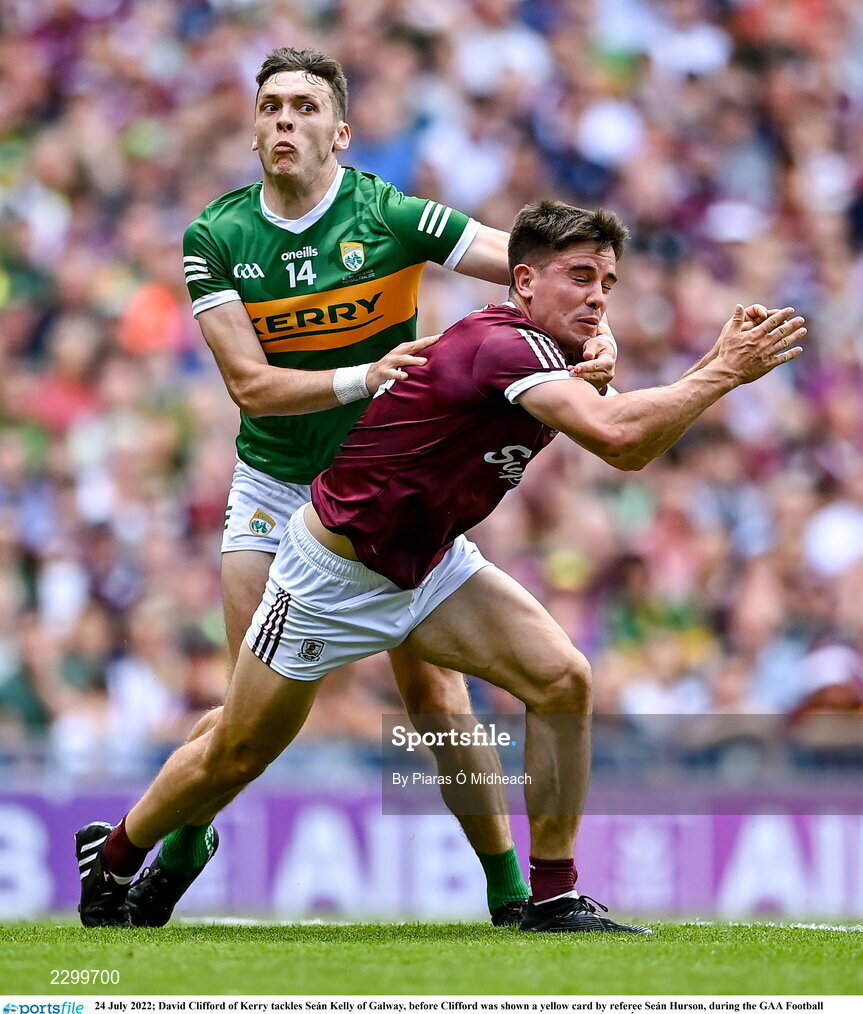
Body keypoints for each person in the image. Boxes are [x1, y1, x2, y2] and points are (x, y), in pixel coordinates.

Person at [76, 200, 805, 933]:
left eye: (606, 284)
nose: (595, 297)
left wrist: (707, 365)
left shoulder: (550, 349)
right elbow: (619, 439)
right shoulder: (505, 348)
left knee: (561, 679)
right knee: (238, 750)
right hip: (329, 577)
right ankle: (113, 854)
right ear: (523, 281)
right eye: (579, 278)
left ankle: (550, 896)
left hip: (428, 565)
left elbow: (627, 430)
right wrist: (720, 372)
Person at [74, 46, 619, 929]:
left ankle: (514, 896)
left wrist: (595, 323)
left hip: (387, 492)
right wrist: (366, 378)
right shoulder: (216, 237)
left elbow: (521, 262)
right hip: (278, 489)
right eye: (271, 106)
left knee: (437, 700)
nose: (284, 120)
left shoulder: (386, 211)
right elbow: (251, 387)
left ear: (341, 130)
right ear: (254, 128)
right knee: (246, 726)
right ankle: (172, 851)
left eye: (303, 106)